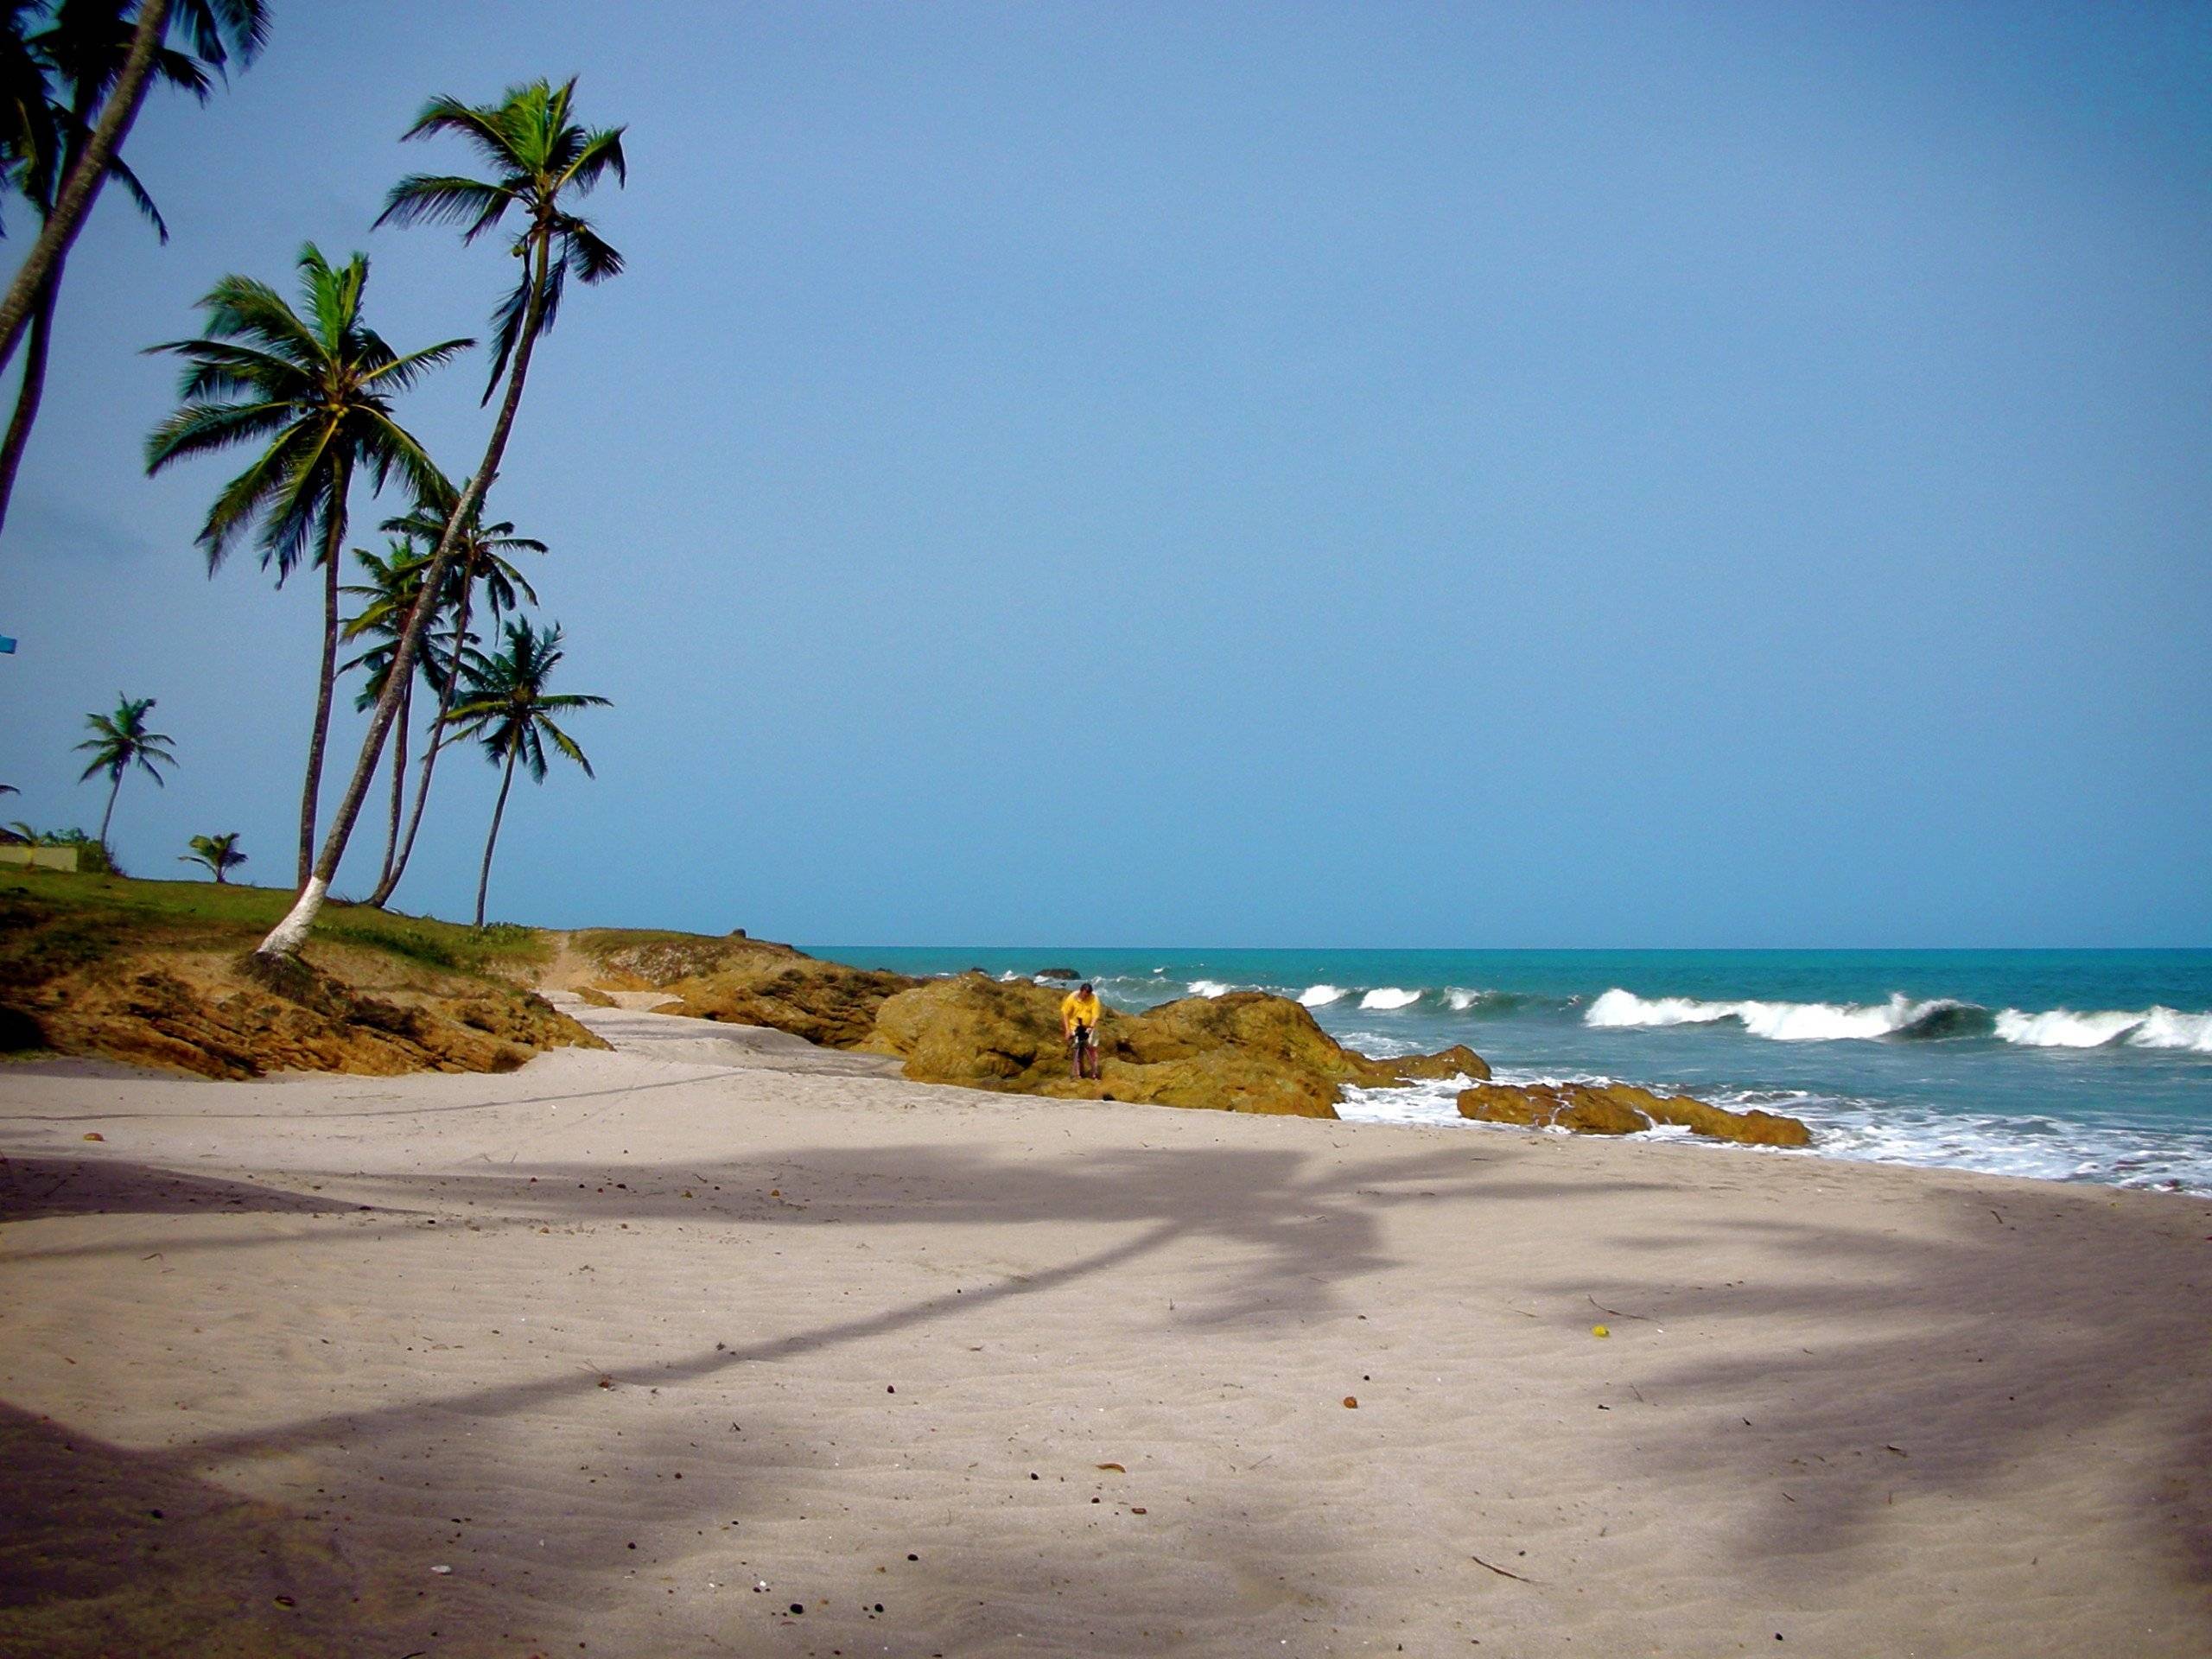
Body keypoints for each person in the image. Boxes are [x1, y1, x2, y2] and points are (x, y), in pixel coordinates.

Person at [1060, 980, 1103, 1080]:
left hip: (1089, 1026)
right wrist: (1067, 1030)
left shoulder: (1094, 999)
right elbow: (1065, 1013)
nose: (1085, 998)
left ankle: (1094, 1073)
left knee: (1092, 1049)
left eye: (1087, 996)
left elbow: (1095, 1016)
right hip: (1075, 1025)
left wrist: (1090, 1029)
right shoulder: (1072, 997)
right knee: (1077, 1050)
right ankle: (1078, 1074)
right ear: (1081, 991)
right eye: (1083, 995)